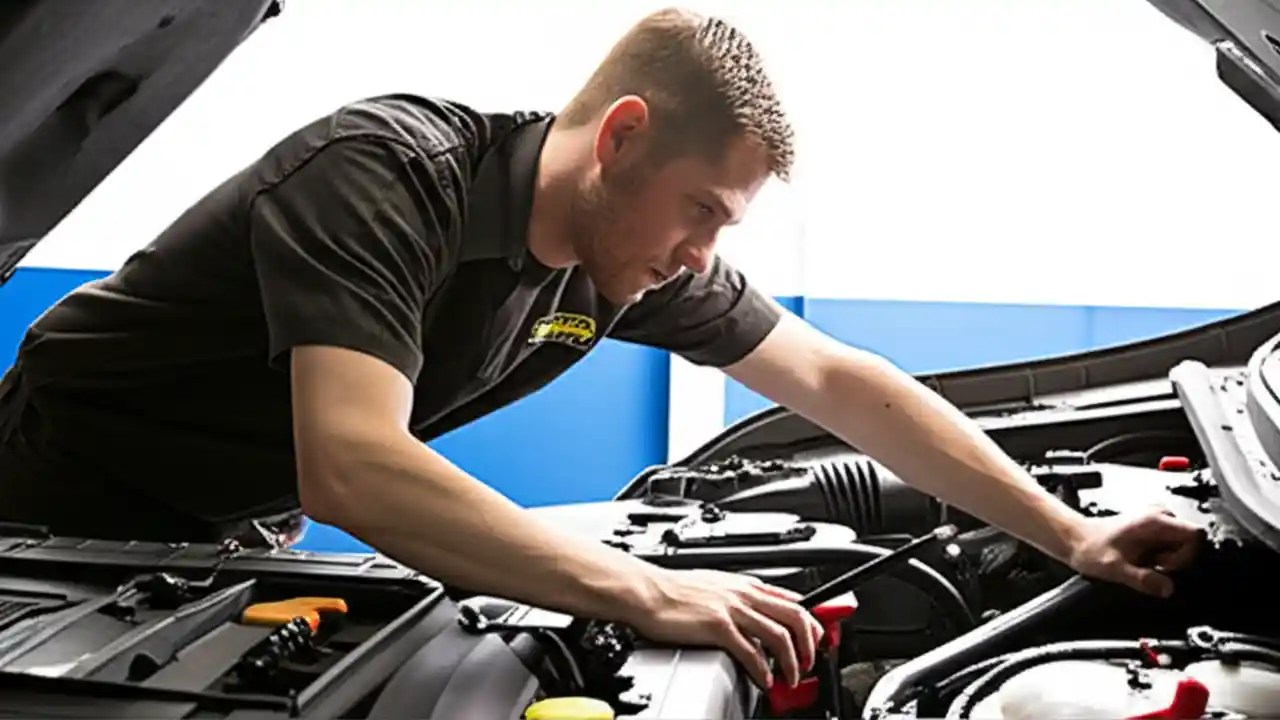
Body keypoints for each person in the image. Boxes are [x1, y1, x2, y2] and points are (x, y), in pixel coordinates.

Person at [0, 7, 1200, 691]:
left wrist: (1068, 533)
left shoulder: (618, 258)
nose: (700, 255)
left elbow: (837, 380)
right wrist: (647, 591)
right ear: (619, 138)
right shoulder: (384, 177)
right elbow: (354, 467)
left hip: (218, 532)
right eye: (701, 211)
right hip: (44, 509)